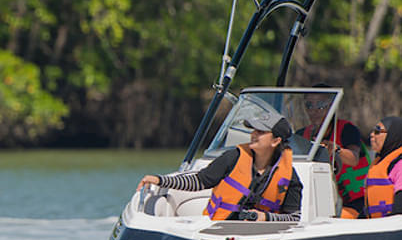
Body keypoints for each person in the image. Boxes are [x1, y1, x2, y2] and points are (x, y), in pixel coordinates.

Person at [137, 113, 304, 222]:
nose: (253, 135)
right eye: (254, 130)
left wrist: (265, 218)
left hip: (264, 236)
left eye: (261, 132)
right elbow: (199, 181)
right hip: (219, 230)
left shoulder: (290, 176)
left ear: (276, 141)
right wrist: (160, 180)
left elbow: (294, 217)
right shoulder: (233, 157)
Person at [298, 84, 371, 218]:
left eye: (320, 106)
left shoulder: (347, 130)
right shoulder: (301, 135)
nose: (314, 111)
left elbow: (353, 159)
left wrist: (335, 149)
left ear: (331, 107)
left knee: (342, 218)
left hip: (358, 199)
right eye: (309, 105)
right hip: (319, 198)